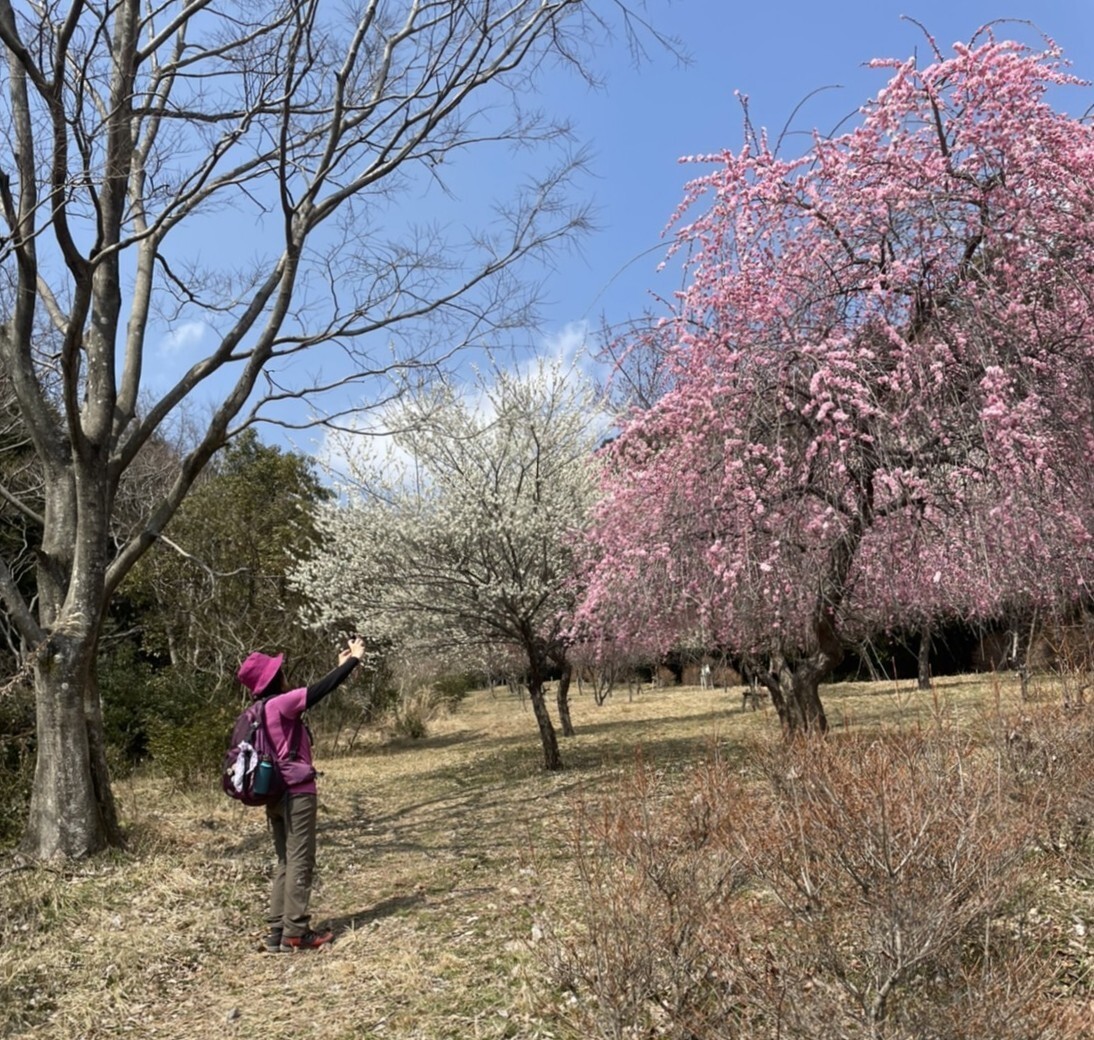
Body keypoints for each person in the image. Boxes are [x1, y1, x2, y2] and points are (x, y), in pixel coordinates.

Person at [236, 635, 367, 953]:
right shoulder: (281, 703)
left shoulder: (256, 710)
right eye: (280, 671)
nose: (285, 674)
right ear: (273, 679)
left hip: (274, 793)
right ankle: (296, 931)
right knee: (300, 860)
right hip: (297, 792)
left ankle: (278, 930)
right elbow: (321, 690)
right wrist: (353, 661)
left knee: (284, 860)